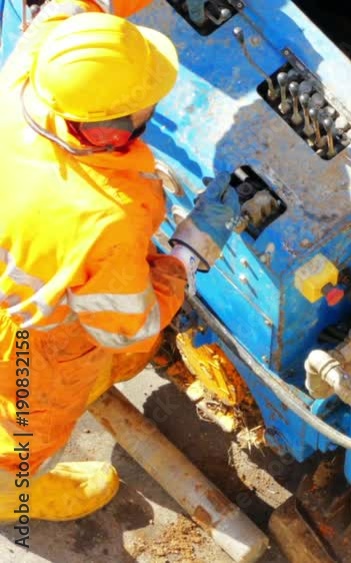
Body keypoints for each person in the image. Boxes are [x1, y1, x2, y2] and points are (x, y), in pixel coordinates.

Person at [0, 0, 235, 521]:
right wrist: (188, 252)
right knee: (29, 427)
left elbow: (74, 4)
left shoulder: (31, 76)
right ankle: (15, 489)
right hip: (40, 344)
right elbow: (127, 327)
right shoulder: (105, 218)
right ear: (112, 134)